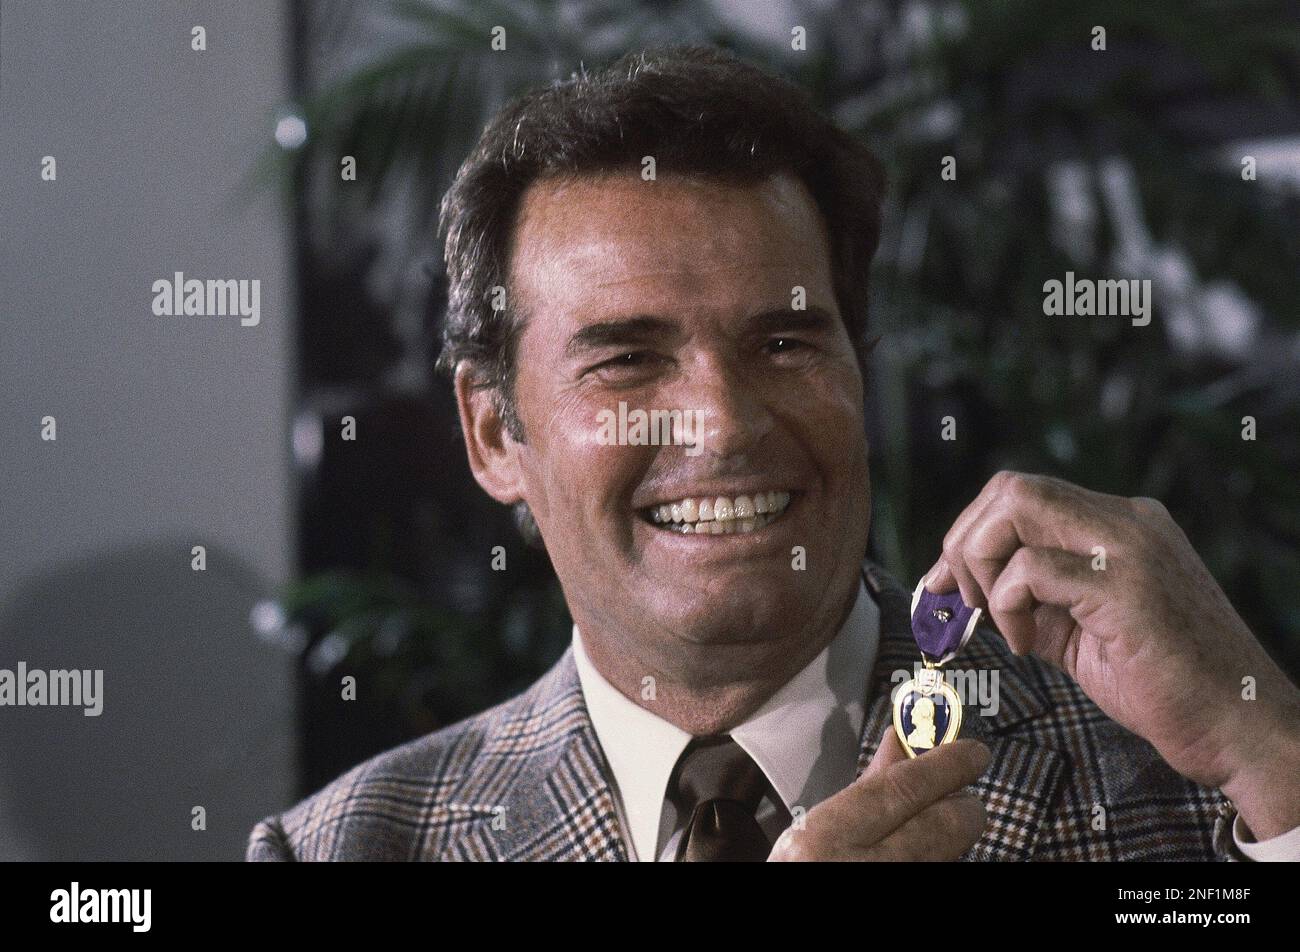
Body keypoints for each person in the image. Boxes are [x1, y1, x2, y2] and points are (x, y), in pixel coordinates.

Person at [247, 45, 1300, 862]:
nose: (723, 424)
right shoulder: (346, 847)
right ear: (492, 434)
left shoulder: (1195, 779)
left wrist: (1279, 753)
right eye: (626, 360)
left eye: (785, 342)